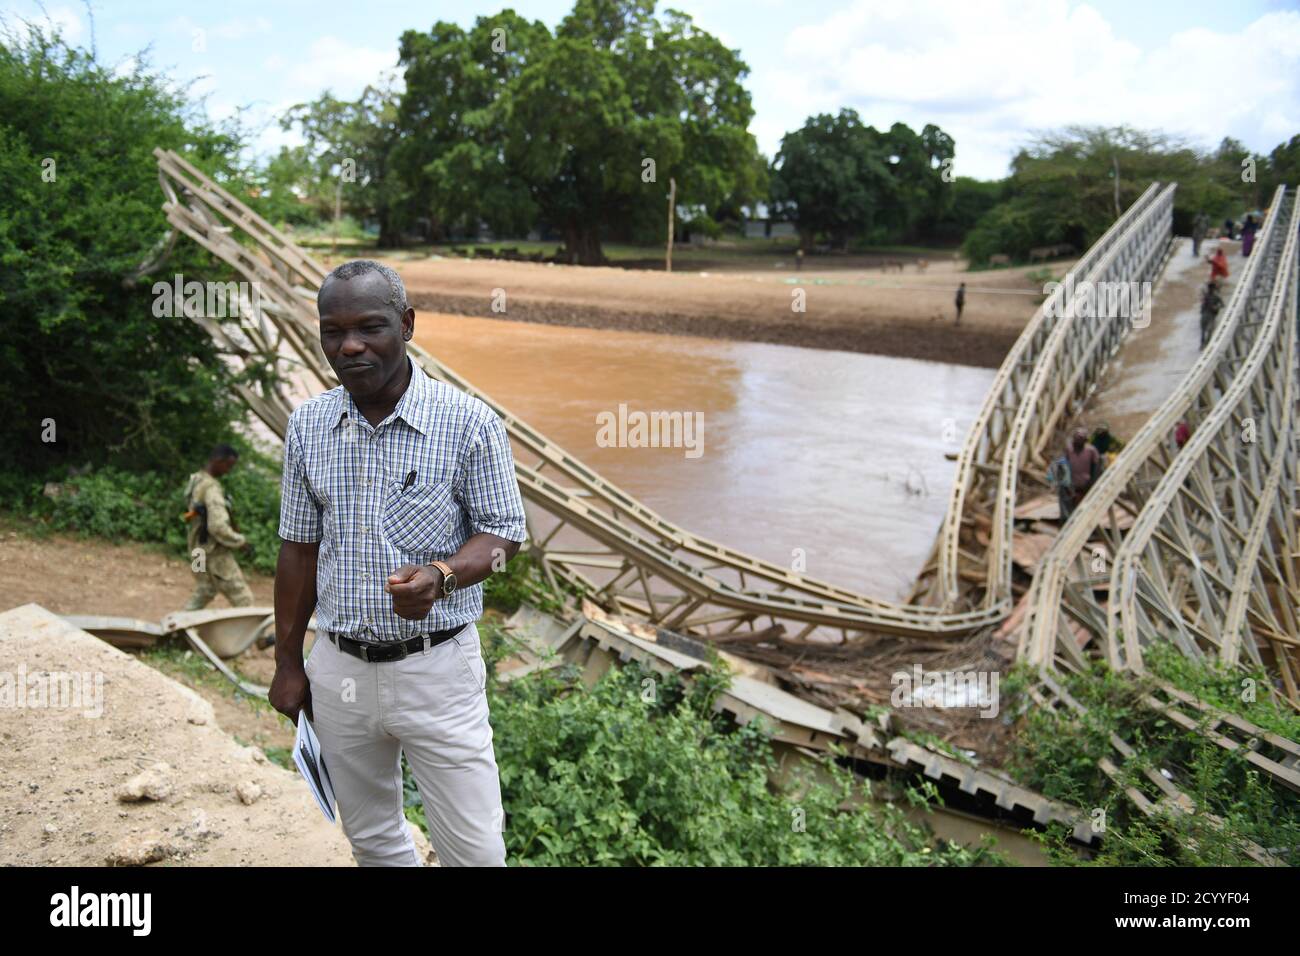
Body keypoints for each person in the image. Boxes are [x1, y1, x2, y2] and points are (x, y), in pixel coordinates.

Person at [270, 259, 527, 867]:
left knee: (477, 853)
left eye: (370, 327)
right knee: (375, 842)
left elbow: (505, 538)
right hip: (339, 669)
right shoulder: (309, 425)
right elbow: (297, 550)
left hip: (437, 667)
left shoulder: (469, 423)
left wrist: (444, 576)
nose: (350, 345)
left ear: (407, 324)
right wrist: (288, 662)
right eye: (333, 331)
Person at [183, 444, 253, 610]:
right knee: (243, 599)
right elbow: (218, 526)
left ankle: (180, 628)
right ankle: (248, 635)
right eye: (228, 465)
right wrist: (240, 542)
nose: (228, 470)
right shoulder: (212, 488)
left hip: (196, 550)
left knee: (204, 589)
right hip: (214, 553)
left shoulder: (196, 480)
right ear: (218, 460)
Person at [1059, 428, 1101, 520]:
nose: (1077, 441)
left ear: (1085, 440)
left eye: (1080, 439)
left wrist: (1092, 483)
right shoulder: (1069, 450)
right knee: (1064, 496)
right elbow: (1064, 466)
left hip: (1086, 483)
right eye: (1076, 439)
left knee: (1085, 508)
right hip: (1072, 483)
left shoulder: (1091, 450)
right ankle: (1066, 520)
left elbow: (1096, 468)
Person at [1200, 279, 1224, 347]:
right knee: (1204, 329)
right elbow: (1203, 304)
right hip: (1206, 313)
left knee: (1208, 329)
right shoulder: (1207, 296)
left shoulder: (1215, 296)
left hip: (1211, 314)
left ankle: (1206, 342)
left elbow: (1222, 305)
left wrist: (1216, 307)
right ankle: (1204, 342)